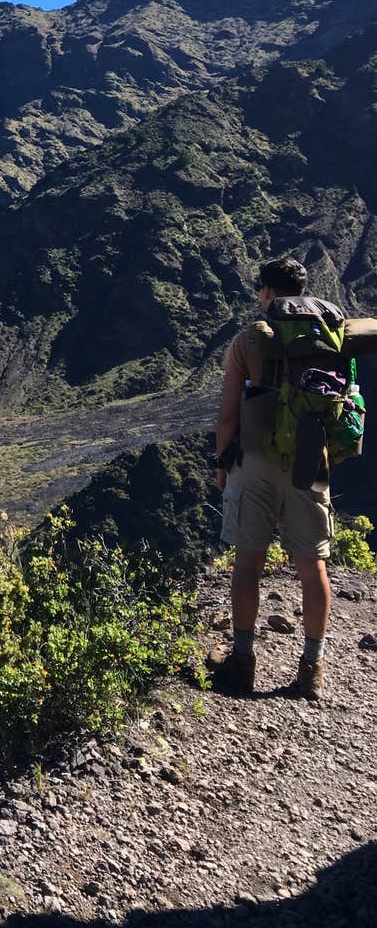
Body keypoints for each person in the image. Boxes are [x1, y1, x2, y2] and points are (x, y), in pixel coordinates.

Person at [210, 256, 341, 700]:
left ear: (266, 291)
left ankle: (243, 663)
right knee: (312, 565)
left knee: (249, 563)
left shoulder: (248, 341)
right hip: (311, 460)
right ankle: (312, 667)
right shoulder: (331, 335)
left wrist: (222, 463)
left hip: (257, 461)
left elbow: (228, 415)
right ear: (304, 289)